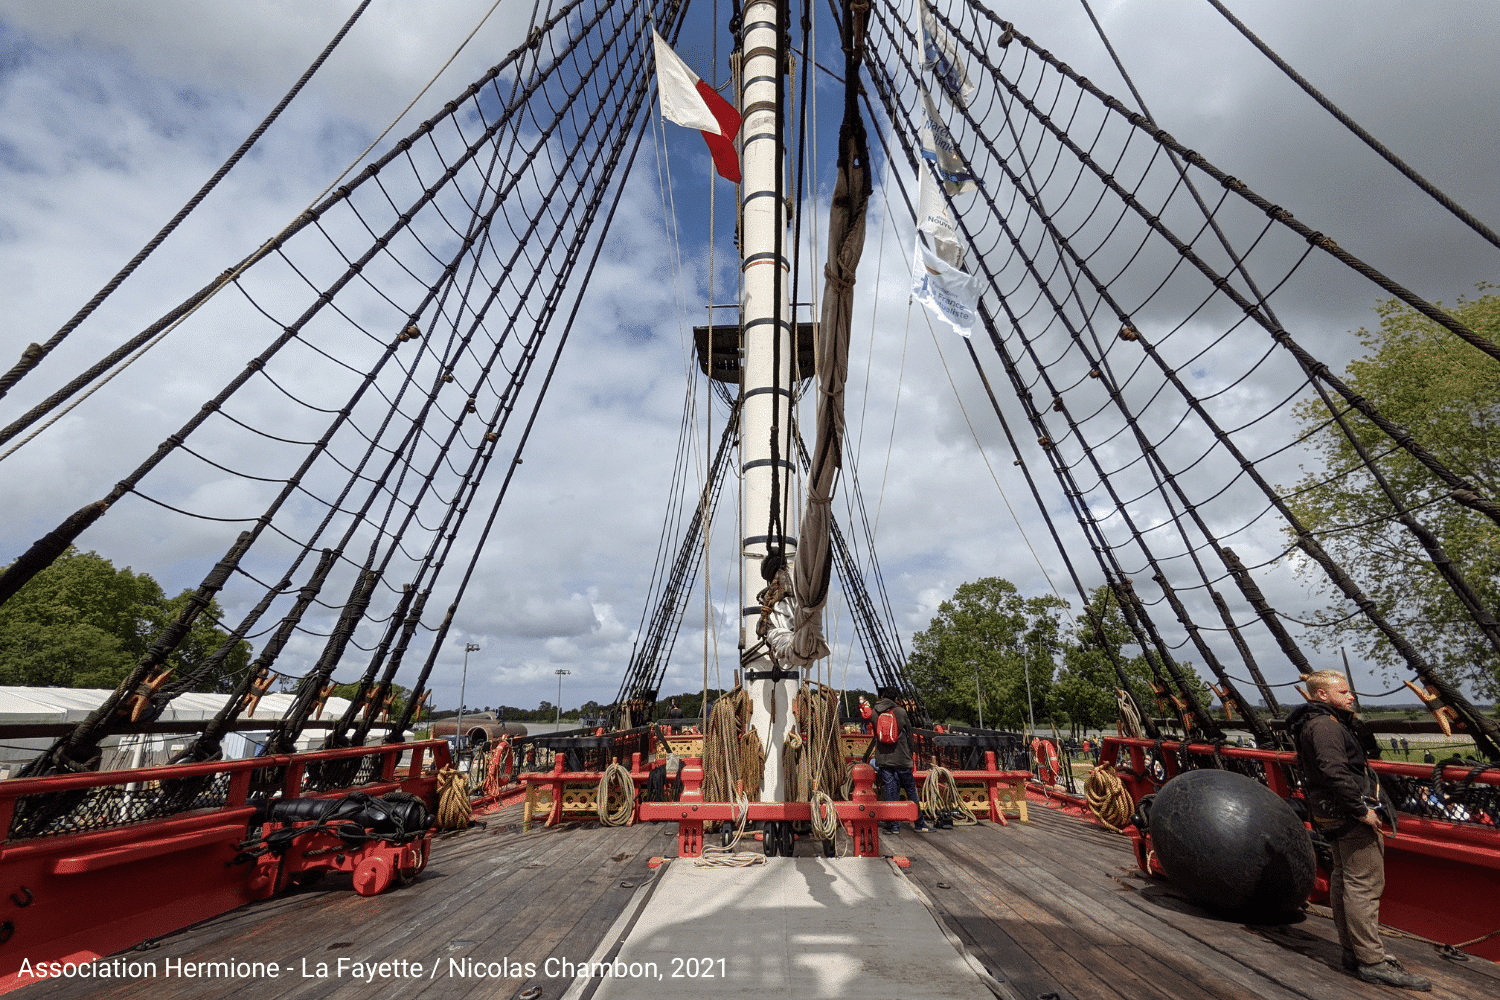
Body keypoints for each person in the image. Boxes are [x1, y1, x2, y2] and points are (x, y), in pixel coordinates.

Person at [1286, 671, 1431, 991]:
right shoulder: (1325, 726)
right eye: (1344, 691)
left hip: (1329, 815)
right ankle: (1372, 962)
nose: (1351, 695)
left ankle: (1353, 952)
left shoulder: (1314, 723)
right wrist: (1361, 810)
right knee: (1363, 885)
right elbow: (1334, 771)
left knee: (1343, 880)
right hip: (1348, 816)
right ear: (1322, 695)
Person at [871, 688, 928, 834]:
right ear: (895, 698)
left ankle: (894, 825)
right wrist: (911, 752)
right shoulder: (900, 712)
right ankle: (919, 823)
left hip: (884, 757)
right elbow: (909, 734)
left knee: (890, 790)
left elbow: (877, 734)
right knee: (910, 789)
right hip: (902, 757)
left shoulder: (875, 712)